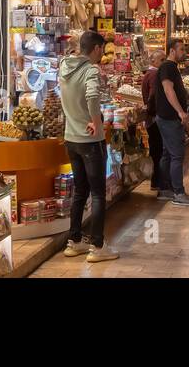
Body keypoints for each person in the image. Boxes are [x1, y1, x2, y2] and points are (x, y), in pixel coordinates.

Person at [59, 32, 119, 261]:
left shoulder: (64, 65)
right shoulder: (90, 70)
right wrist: (96, 121)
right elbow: (93, 96)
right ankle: (97, 246)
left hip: (71, 138)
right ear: (95, 48)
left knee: (80, 191)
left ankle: (74, 241)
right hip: (90, 141)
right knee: (97, 194)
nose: (102, 54)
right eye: (101, 49)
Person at [155, 38, 189, 207]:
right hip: (169, 118)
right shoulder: (167, 67)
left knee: (168, 154)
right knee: (177, 155)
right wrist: (180, 112)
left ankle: (165, 189)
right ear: (172, 51)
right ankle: (178, 193)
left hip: (167, 117)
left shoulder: (171, 67)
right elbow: (168, 90)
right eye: (181, 49)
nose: (184, 52)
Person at [140, 49, 166, 192]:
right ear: (153, 61)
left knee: (156, 150)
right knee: (158, 152)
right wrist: (152, 112)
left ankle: (156, 182)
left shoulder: (149, 74)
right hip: (155, 119)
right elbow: (152, 96)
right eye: (161, 60)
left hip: (152, 118)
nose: (164, 63)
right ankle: (157, 182)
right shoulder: (155, 74)